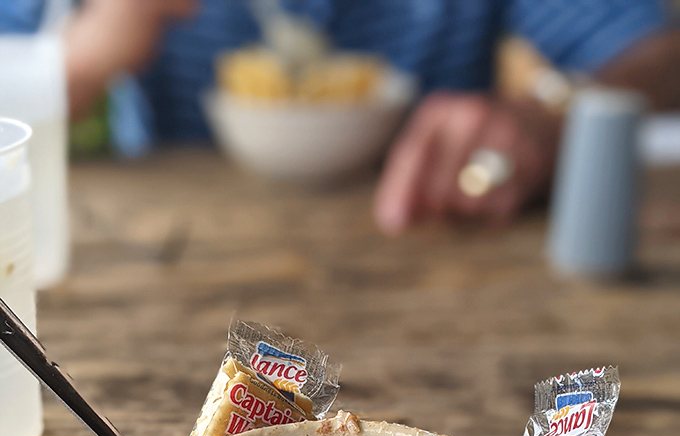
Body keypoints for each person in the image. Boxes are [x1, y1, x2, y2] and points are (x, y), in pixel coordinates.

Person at [2, 0, 679, 231]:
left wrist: (549, 111)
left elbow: (656, 51)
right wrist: (86, 53)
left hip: (432, 234)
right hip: (163, 243)